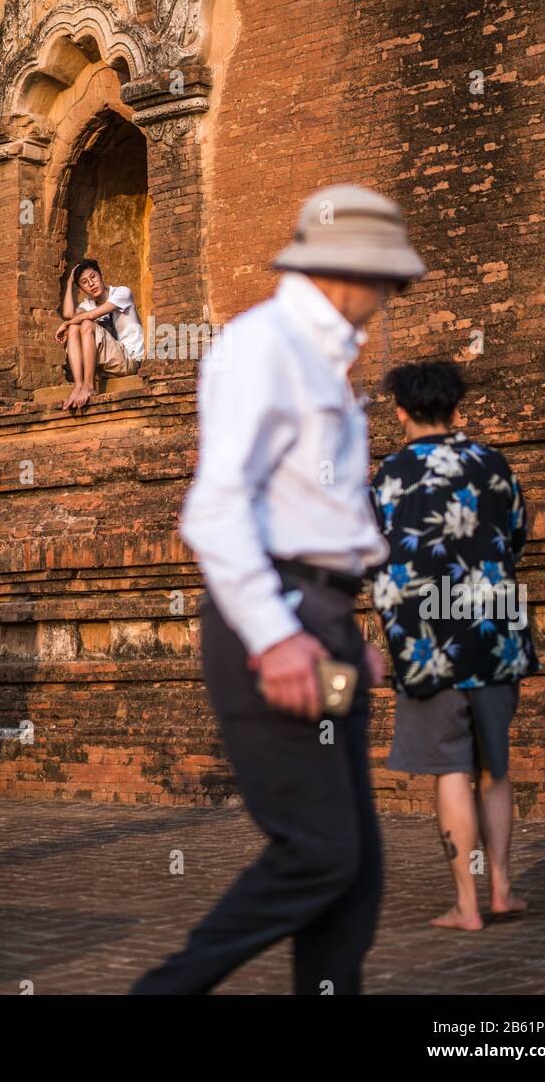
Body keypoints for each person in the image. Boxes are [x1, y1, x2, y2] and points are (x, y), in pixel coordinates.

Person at [131, 185, 426, 996]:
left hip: (316, 620)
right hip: (273, 625)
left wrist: (336, 629)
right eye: (386, 282)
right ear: (348, 272)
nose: (389, 301)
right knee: (318, 853)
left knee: (354, 876)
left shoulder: (317, 357)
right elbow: (216, 508)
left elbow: (308, 513)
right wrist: (280, 633)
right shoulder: (264, 346)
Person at [369, 360, 539, 930]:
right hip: (493, 636)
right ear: (456, 406)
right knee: (494, 769)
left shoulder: (389, 476)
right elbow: (515, 536)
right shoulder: (492, 465)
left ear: (400, 411)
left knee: (450, 771)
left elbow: (368, 554)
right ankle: (503, 890)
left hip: (426, 644)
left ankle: (466, 904)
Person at [55, 259, 145, 411]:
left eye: (93, 277)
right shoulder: (87, 304)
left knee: (86, 324)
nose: (91, 283)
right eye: (84, 282)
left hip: (129, 361)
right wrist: (70, 282)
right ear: (82, 289)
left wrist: (65, 324)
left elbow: (92, 315)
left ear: (101, 276)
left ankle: (89, 386)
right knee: (75, 328)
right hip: (104, 368)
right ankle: (79, 385)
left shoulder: (122, 293)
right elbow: (69, 314)